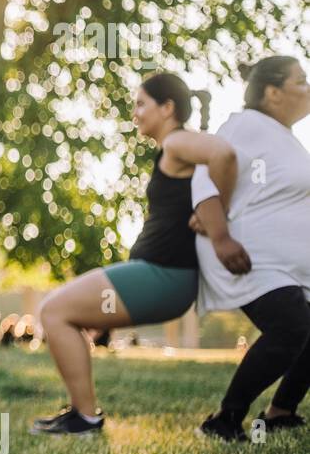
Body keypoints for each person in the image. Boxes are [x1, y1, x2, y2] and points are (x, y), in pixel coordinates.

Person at [31, 72, 245, 434]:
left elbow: (224, 153)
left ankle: (84, 417)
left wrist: (216, 217)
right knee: (60, 313)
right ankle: (83, 413)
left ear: (167, 108)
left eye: (141, 104)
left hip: (165, 276)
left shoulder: (177, 141)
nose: (135, 113)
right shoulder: (171, 148)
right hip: (158, 274)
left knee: (53, 311)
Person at [190, 55, 310, 440]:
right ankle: (224, 420)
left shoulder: (284, 139)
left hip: (284, 264)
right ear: (273, 92)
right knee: (291, 324)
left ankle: (280, 412)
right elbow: (204, 175)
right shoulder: (245, 124)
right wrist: (220, 236)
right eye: (301, 81)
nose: (308, 88)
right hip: (244, 255)